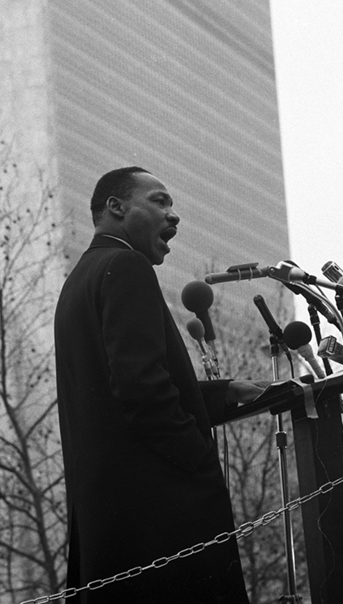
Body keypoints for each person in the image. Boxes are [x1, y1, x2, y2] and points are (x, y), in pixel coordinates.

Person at [54, 167, 267, 603]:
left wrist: (223, 392)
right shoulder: (126, 265)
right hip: (161, 518)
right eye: (159, 201)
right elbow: (141, 389)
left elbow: (115, 391)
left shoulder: (79, 281)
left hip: (110, 526)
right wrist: (198, 459)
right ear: (115, 207)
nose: (174, 216)